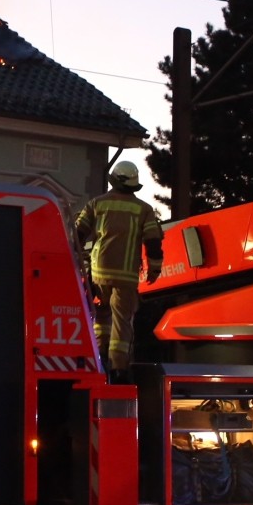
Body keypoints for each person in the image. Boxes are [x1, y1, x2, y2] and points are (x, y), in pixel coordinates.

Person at [74, 159, 163, 383]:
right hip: (125, 277)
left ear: (113, 180)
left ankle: (100, 358)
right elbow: (153, 241)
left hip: (98, 274)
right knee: (122, 322)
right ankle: (119, 369)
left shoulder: (96, 204)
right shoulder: (143, 209)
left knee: (101, 316)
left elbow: (78, 234)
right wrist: (154, 269)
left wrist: (74, 261)